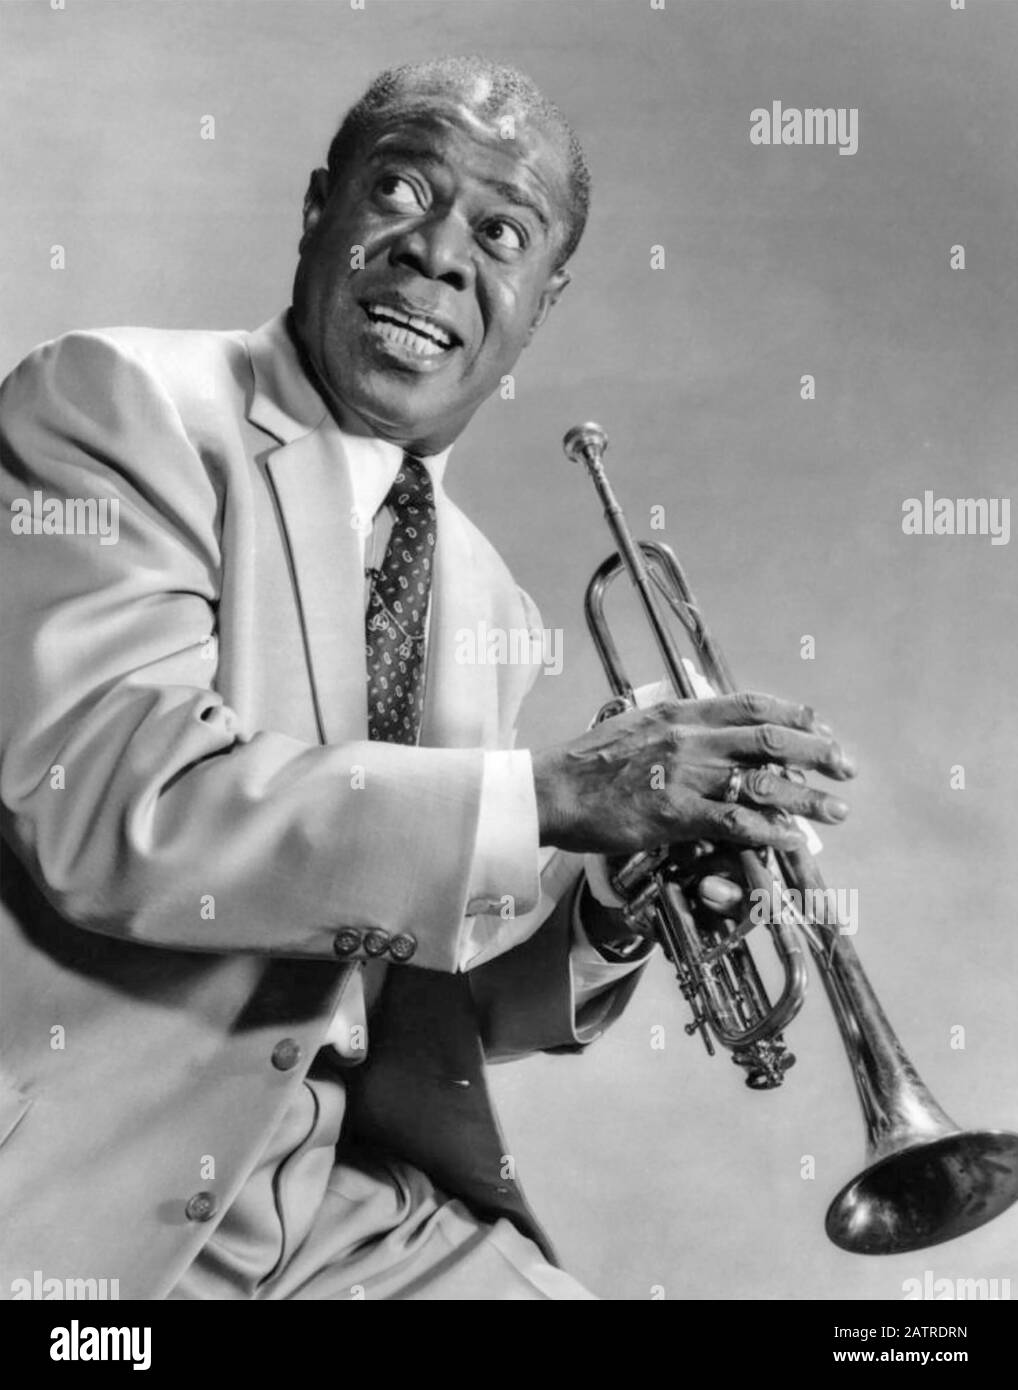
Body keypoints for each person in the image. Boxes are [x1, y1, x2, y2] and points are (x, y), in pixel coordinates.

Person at [0, 56, 855, 1301]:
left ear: (539, 300)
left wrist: (620, 891)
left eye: (500, 232)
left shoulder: (481, 591)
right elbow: (122, 817)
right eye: (401, 189)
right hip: (89, 1202)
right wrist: (547, 797)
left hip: (348, 1208)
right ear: (317, 209)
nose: (440, 254)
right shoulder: (113, 406)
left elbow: (418, 995)